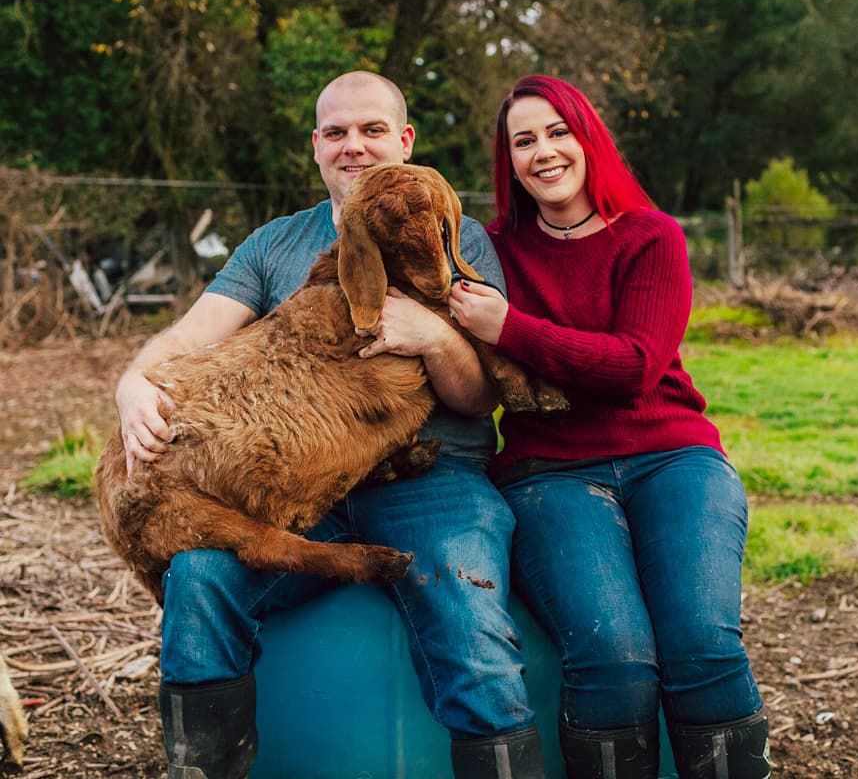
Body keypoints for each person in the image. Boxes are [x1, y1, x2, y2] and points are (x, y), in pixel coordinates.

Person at [115, 71, 545, 779]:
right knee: (200, 577)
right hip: (300, 489)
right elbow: (190, 337)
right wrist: (135, 381)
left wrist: (432, 338)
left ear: (405, 141)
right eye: (337, 133)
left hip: (433, 477)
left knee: (470, 615)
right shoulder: (275, 245)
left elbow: (478, 399)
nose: (355, 146)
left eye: (373, 130)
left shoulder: (454, 232)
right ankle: (204, 766)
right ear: (316, 147)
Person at [449, 75, 770, 779]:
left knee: (700, 645)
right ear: (509, 162)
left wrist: (509, 326)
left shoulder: (651, 238)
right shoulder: (491, 252)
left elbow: (635, 367)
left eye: (558, 132)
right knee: (613, 653)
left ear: (588, 138)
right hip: (549, 473)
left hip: (672, 457)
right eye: (524, 141)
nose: (544, 152)